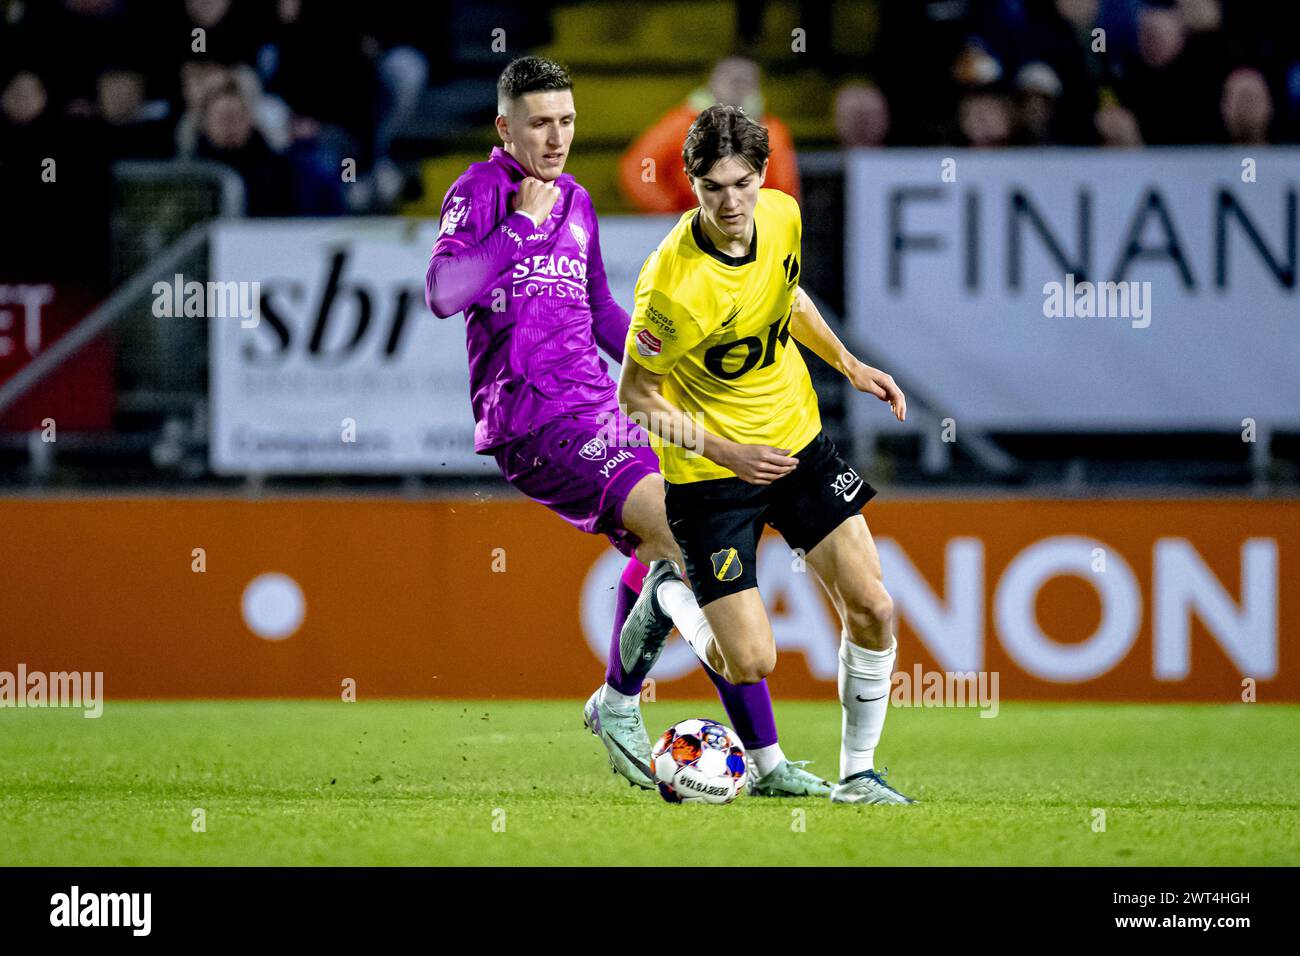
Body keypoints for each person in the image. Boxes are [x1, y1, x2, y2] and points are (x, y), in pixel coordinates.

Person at [423, 57, 830, 798]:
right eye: (539, 123)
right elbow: (444, 292)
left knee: (686, 539)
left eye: (567, 121)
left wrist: (676, 375)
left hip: (601, 407)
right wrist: (519, 228)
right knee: (680, 533)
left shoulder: (577, 200)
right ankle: (626, 704)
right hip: (532, 420)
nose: (556, 138)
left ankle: (756, 761)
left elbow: (601, 311)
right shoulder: (480, 192)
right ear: (505, 127)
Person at [618, 104, 916, 805]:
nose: (731, 203)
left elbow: (787, 296)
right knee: (749, 661)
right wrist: (729, 451)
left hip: (796, 441)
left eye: (743, 183)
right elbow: (636, 397)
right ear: (691, 183)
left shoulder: (782, 214)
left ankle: (859, 775)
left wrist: (848, 364)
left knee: (873, 606)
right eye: (713, 187)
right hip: (711, 477)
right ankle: (667, 592)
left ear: (762, 176)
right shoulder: (671, 285)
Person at [618, 56, 799, 213]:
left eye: (745, 81)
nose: (736, 87)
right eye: (730, 79)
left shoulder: (771, 131)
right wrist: (670, 210)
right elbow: (637, 168)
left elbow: (785, 190)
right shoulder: (680, 124)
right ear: (712, 81)